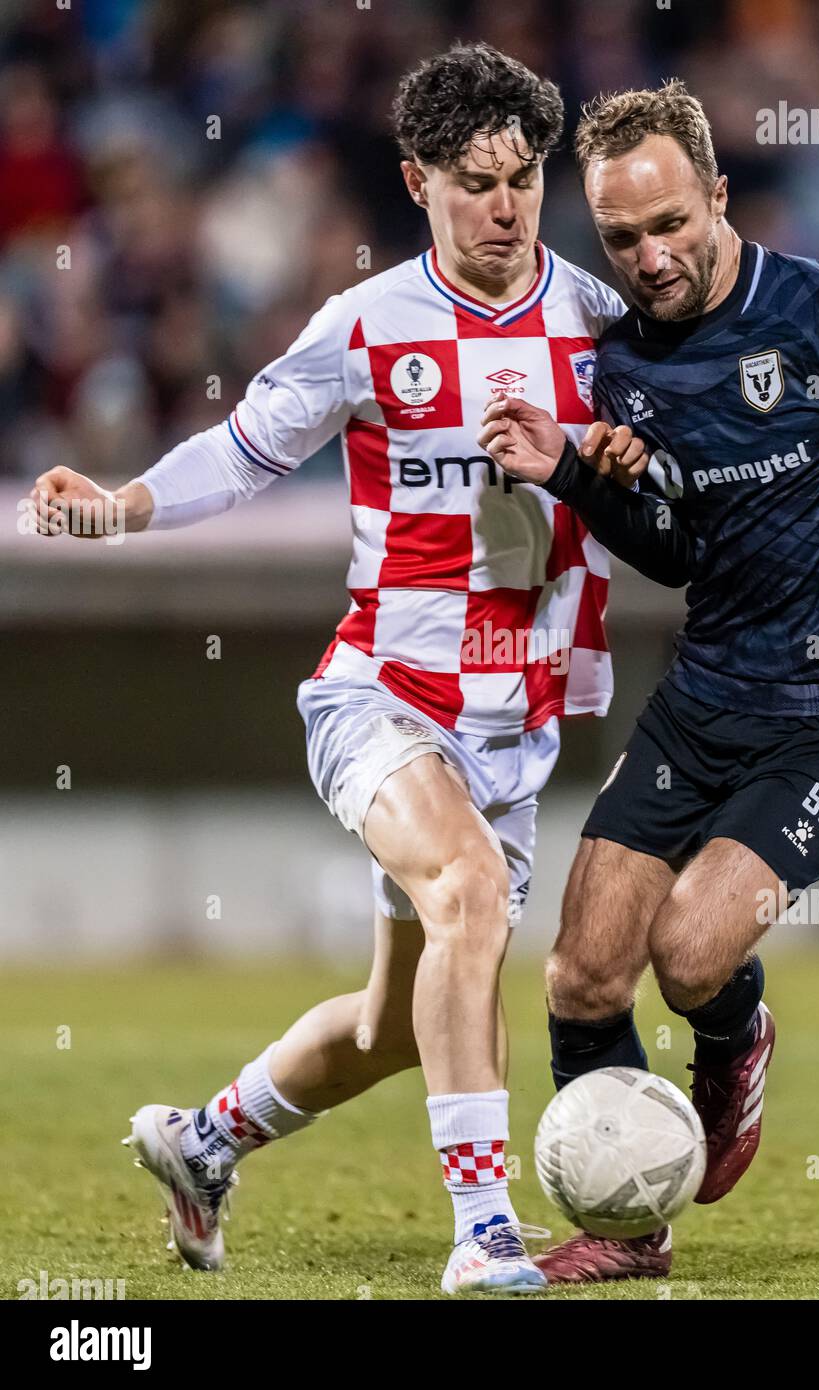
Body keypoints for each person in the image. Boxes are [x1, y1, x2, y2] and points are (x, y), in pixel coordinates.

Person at [30, 43, 629, 1296]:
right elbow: (244, 453)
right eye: (476, 180)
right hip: (380, 696)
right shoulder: (365, 327)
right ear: (417, 182)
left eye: (523, 177)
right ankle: (487, 1233)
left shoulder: (599, 315)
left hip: (512, 726)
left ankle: (202, 1142)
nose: (507, 205)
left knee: (385, 1032)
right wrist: (121, 504)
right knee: (467, 895)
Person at [478, 79, 819, 1283]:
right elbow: (673, 547)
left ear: (716, 195)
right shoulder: (619, 365)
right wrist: (574, 470)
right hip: (705, 693)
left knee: (690, 953)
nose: (651, 256)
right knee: (580, 970)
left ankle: (733, 1037)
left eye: (671, 223)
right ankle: (626, 1230)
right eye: (621, 239)